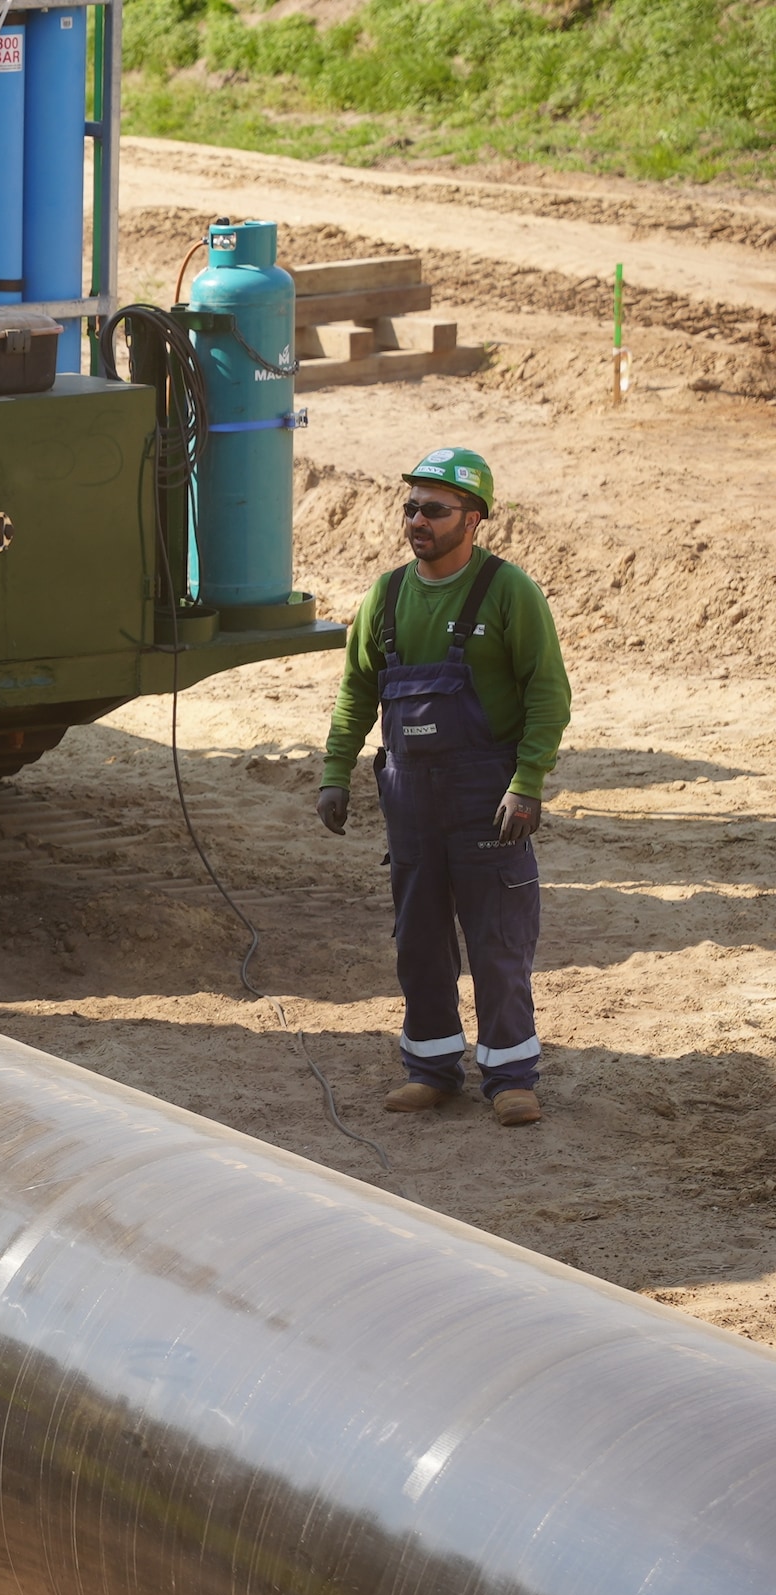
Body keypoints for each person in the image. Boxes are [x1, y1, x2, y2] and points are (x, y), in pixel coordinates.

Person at [317, 448, 570, 1128]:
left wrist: (528, 782)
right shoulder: (386, 595)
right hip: (410, 796)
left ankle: (510, 1077)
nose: (417, 521)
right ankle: (431, 1068)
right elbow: (356, 691)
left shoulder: (508, 592)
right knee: (419, 939)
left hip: (487, 794)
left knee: (498, 938)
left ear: (473, 518)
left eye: (433, 509)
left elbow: (548, 692)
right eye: (410, 508)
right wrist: (336, 772)